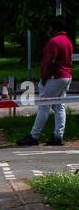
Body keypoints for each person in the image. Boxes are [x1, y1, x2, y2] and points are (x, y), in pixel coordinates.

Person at [19, 16, 73, 146]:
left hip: (54, 77)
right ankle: (58, 136)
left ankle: (34, 136)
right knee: (60, 106)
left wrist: (44, 78)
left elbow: (50, 61)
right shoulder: (68, 41)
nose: (48, 29)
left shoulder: (53, 42)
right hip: (66, 76)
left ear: (54, 28)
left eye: (49, 27)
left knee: (43, 106)